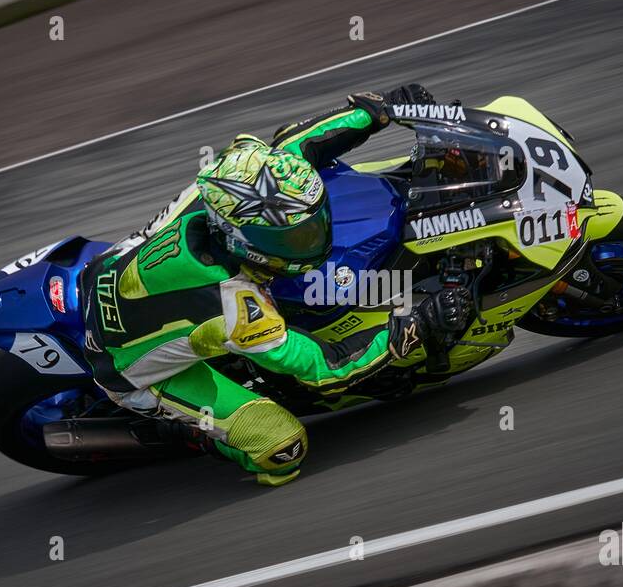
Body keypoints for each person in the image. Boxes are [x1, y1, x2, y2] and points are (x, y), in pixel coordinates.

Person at [81, 85, 473, 485]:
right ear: (241, 240)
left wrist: (379, 112)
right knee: (283, 447)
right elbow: (326, 367)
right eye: (292, 240)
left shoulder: (232, 186)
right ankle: (186, 432)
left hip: (109, 267)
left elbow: (298, 145)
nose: (315, 240)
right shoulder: (236, 309)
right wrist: (412, 327)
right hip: (126, 370)